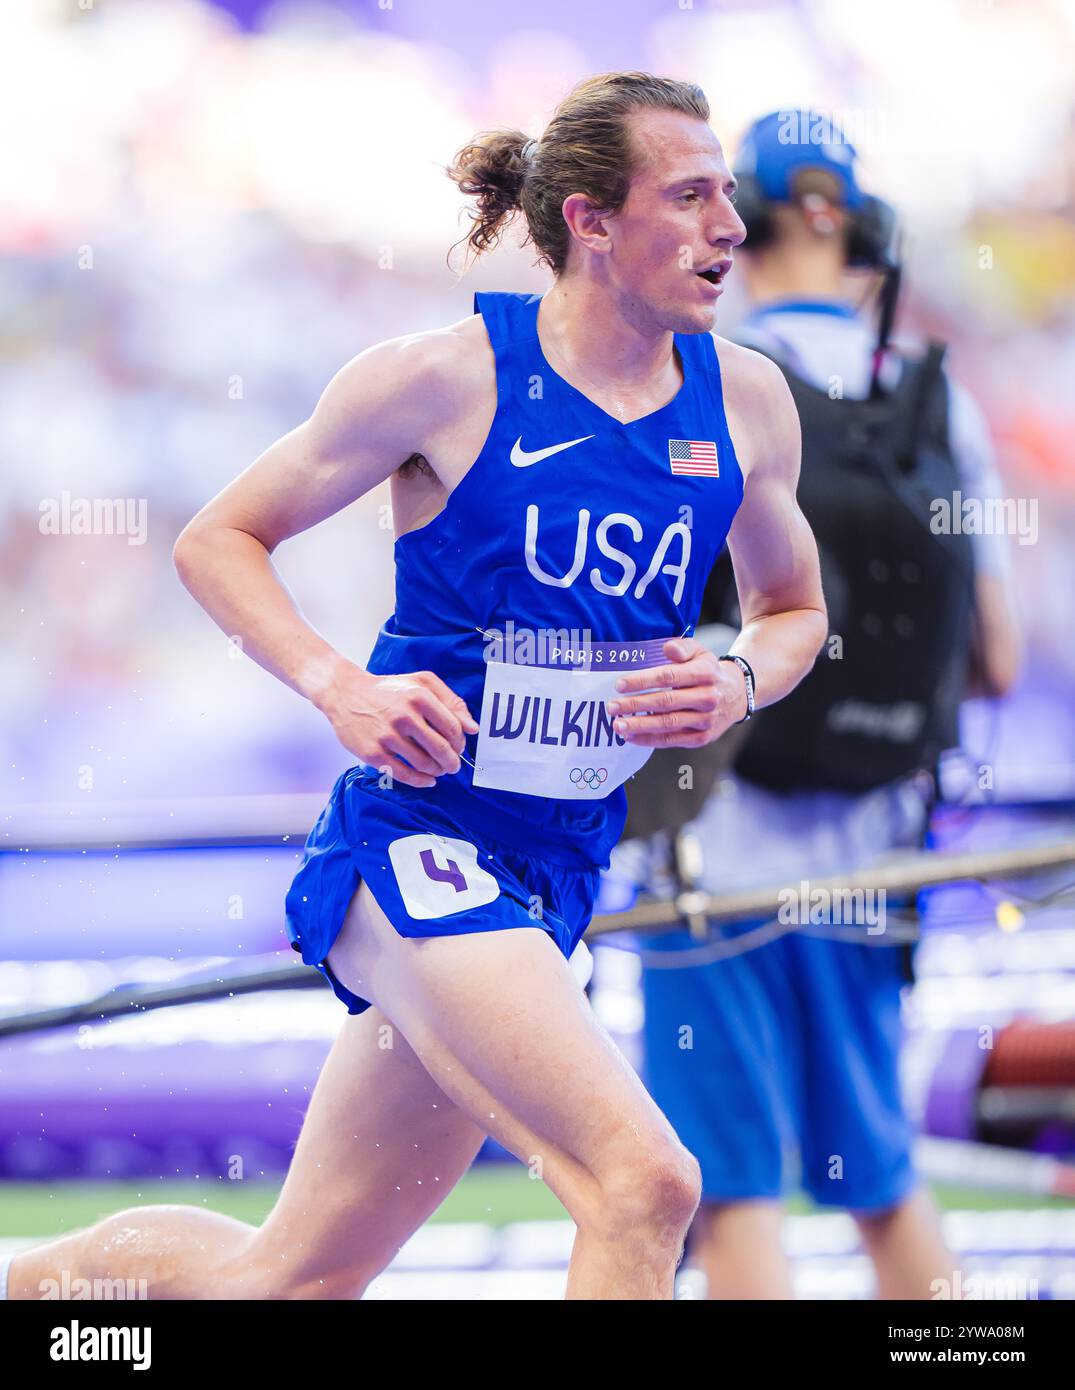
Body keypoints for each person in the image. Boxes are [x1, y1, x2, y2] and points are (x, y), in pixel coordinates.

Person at [3, 74, 826, 1303]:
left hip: (559, 864)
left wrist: (733, 679)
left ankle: (43, 1292)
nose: (731, 225)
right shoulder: (443, 377)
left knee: (294, 1279)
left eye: (729, 196)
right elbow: (218, 538)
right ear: (592, 221)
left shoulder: (746, 401)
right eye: (692, 194)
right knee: (643, 1179)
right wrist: (339, 686)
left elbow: (793, 609)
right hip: (420, 841)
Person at [631, 110, 1021, 1300]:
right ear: (854, 222)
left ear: (741, 220)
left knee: (735, 1188)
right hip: (873, 860)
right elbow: (996, 658)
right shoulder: (933, 399)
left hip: (711, 855)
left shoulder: (694, 380)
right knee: (883, 1177)